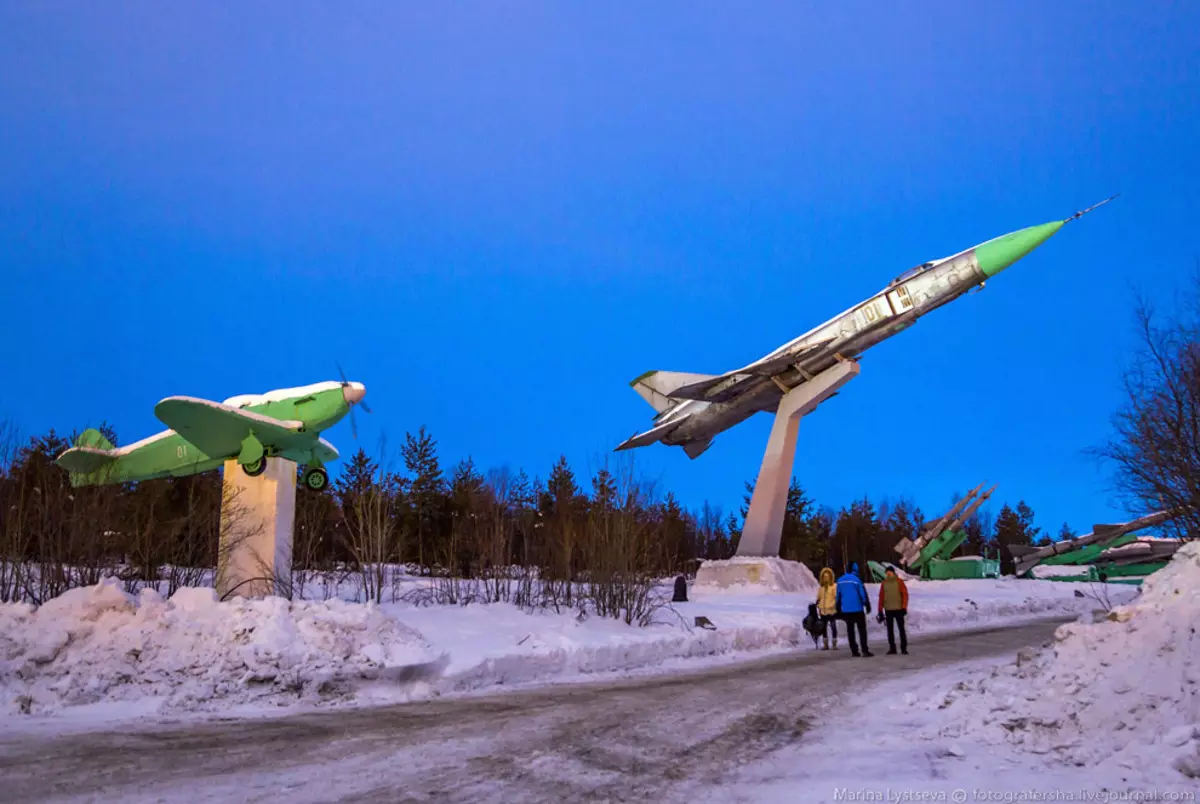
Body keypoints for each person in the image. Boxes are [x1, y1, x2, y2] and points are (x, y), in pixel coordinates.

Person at [835, 561, 873, 657]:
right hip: (857, 609)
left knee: (850, 630)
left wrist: (838, 608)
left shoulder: (840, 580)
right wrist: (866, 604)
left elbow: (838, 596)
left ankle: (854, 651)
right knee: (862, 630)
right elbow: (862, 594)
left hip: (847, 610)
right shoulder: (857, 580)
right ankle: (864, 649)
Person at [877, 565, 909, 655]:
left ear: (893, 572)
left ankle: (903, 648)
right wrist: (880, 610)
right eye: (886, 572)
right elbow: (881, 597)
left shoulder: (899, 582)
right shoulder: (884, 583)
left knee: (901, 629)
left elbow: (905, 595)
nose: (888, 574)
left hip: (899, 609)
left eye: (889, 572)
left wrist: (904, 607)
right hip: (888, 609)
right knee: (890, 630)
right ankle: (892, 648)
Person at [816, 567, 839, 650]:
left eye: (827, 576)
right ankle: (825, 644)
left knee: (833, 626)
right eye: (824, 577)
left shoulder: (834, 586)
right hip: (823, 610)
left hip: (831, 610)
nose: (826, 578)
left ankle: (834, 643)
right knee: (823, 627)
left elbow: (836, 597)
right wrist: (819, 605)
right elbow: (818, 598)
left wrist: (833, 605)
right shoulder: (821, 588)